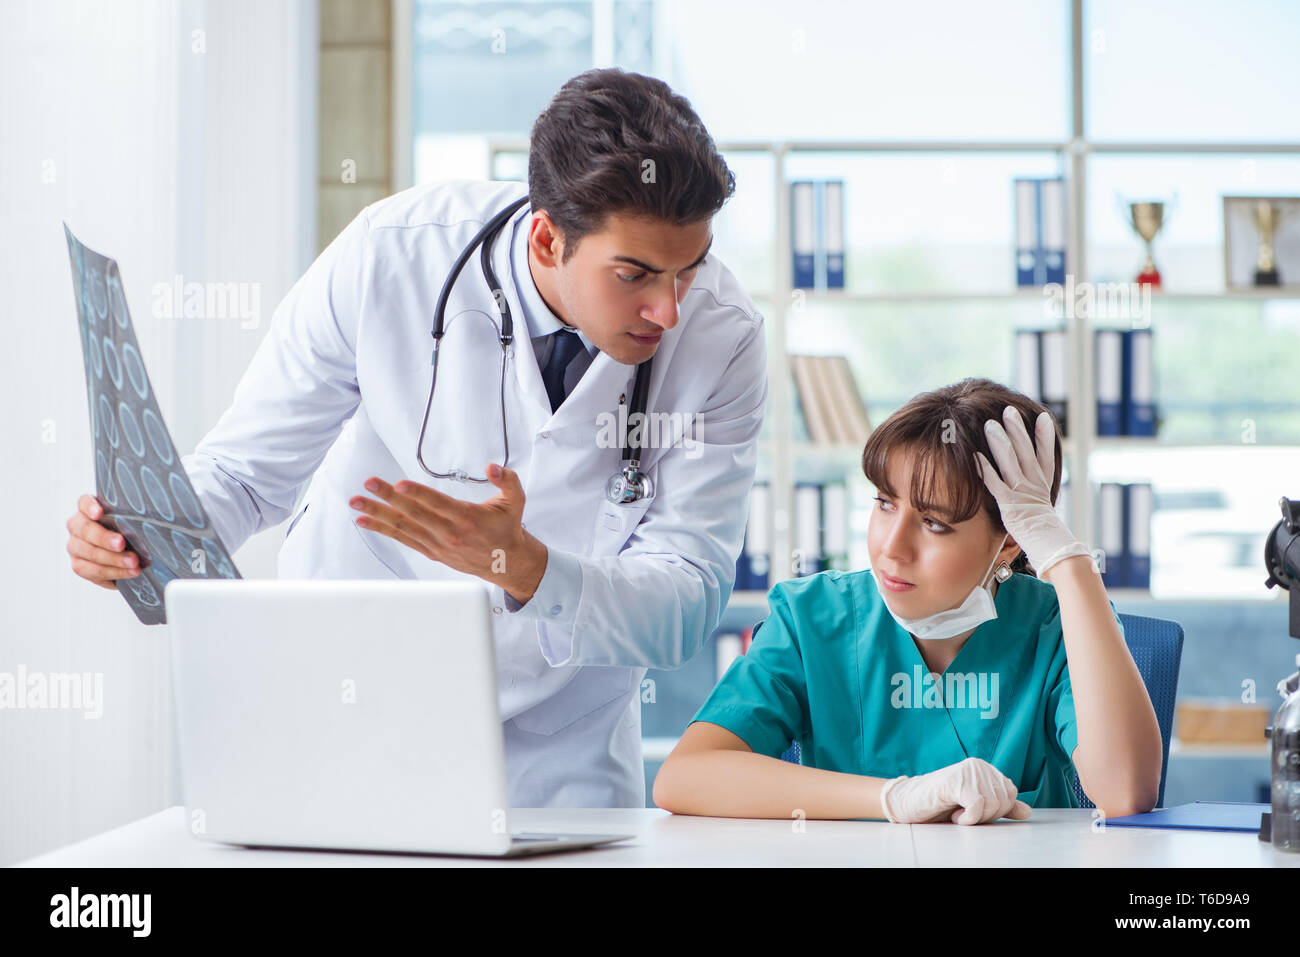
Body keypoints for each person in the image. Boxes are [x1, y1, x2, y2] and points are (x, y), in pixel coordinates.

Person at [64, 68, 768, 808]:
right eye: (636, 274)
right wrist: (146, 531)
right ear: (547, 237)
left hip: (560, 746)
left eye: (689, 269)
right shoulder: (390, 256)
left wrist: (531, 569)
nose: (668, 309)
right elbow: (246, 474)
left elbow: (687, 602)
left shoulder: (723, 340)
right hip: (351, 690)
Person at [654, 378, 1162, 824]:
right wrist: (894, 798)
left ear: (1009, 540)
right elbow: (684, 777)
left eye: (934, 523)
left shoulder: (1057, 625)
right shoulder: (813, 618)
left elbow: (1125, 793)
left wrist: (1066, 561)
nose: (890, 548)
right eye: (883, 503)